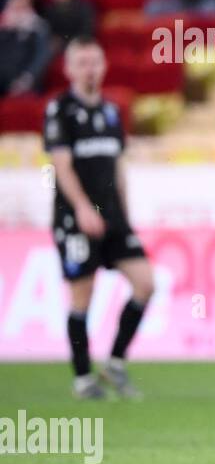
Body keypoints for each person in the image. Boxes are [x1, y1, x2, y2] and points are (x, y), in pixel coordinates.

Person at [43, 38, 154, 399]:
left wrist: (126, 212)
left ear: (104, 66)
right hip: (75, 219)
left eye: (94, 62)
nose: (89, 69)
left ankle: (116, 363)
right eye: (82, 63)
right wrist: (81, 208)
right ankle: (82, 378)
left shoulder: (111, 112)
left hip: (113, 217)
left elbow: (117, 167)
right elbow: (62, 166)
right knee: (82, 295)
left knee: (145, 283)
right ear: (69, 68)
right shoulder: (59, 110)